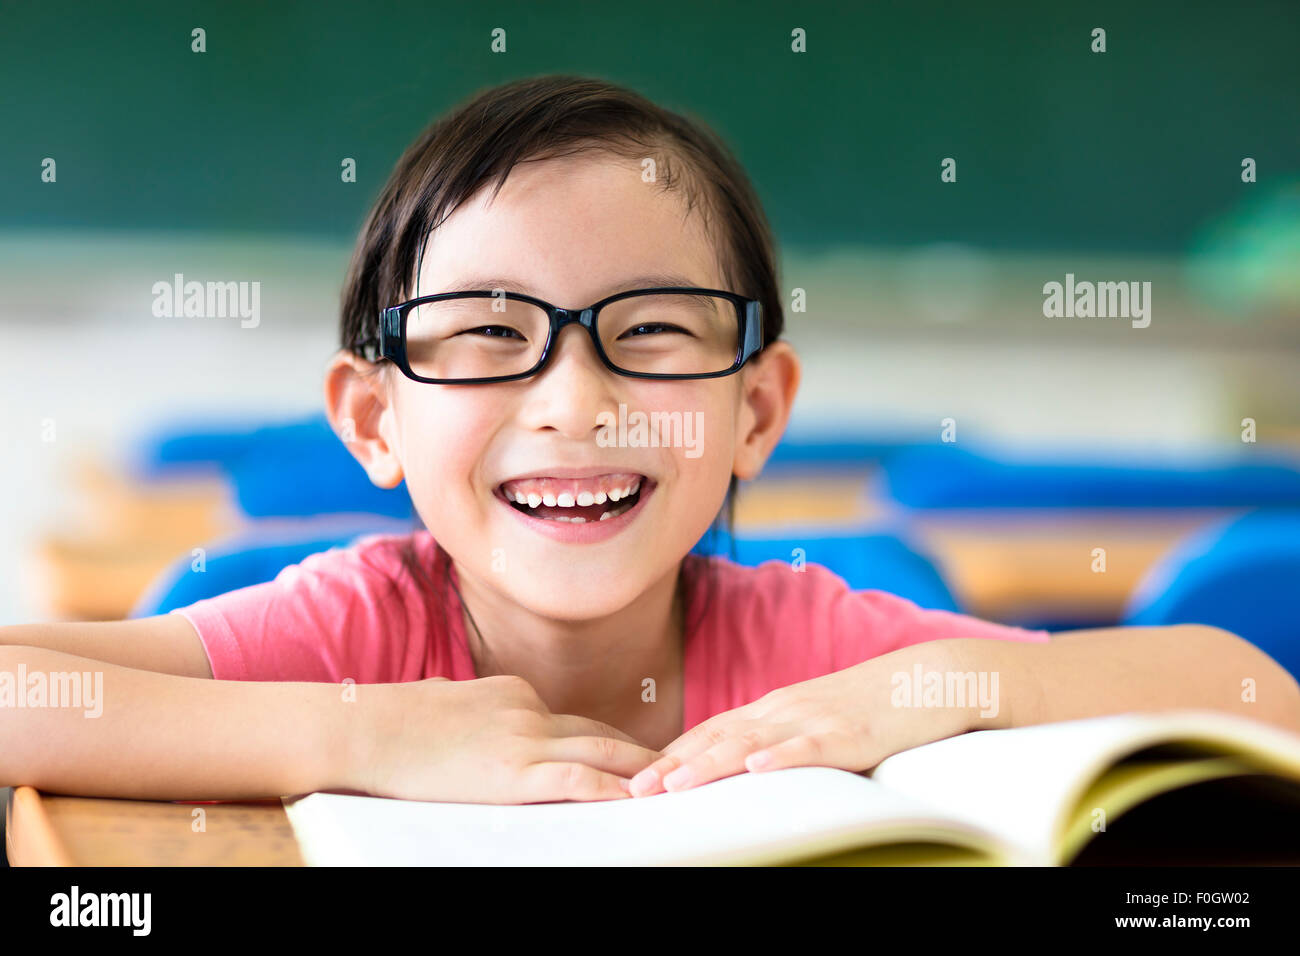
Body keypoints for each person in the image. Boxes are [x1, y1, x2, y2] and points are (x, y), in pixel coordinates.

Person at [3, 76, 1297, 808]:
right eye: (487, 331)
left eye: (659, 330)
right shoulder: (354, 637)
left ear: (759, 411)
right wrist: (356, 736)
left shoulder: (808, 650)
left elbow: (1250, 690)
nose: (576, 398)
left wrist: (929, 693)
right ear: (374, 419)